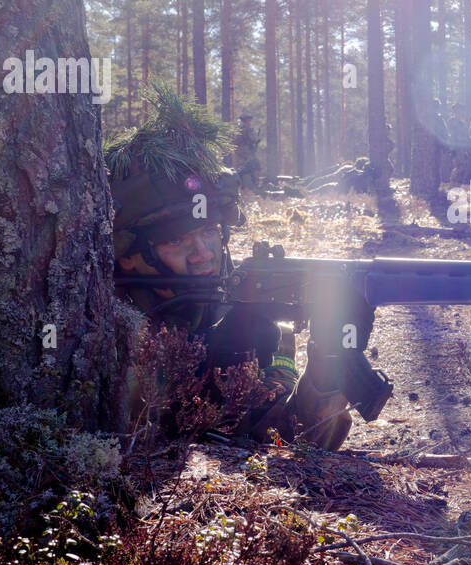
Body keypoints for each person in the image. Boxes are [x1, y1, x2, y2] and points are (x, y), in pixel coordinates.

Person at [109, 89, 355, 450]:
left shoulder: (250, 315)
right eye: (177, 241)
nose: (202, 254)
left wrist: (328, 367)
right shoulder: (108, 328)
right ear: (129, 256)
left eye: (210, 231)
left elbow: (296, 437)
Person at [233, 113, 262, 192]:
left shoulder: (238, 129)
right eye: (249, 120)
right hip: (246, 152)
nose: (250, 122)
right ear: (246, 120)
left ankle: (242, 187)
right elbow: (254, 139)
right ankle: (251, 186)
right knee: (253, 166)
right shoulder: (248, 129)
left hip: (239, 152)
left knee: (241, 168)